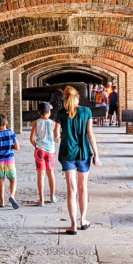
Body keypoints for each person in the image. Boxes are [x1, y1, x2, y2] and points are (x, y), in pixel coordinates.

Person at [55, 86, 99, 235]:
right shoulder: (86, 112)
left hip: (67, 153)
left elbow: (56, 134)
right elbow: (90, 134)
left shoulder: (61, 113)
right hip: (84, 152)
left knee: (71, 189)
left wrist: (60, 136)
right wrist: (96, 155)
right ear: (77, 98)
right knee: (82, 187)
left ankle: (73, 225)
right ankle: (83, 220)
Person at [29, 102, 59, 205]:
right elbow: (57, 138)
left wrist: (37, 146)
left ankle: (41, 200)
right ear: (49, 112)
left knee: (41, 175)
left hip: (39, 150)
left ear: (38, 112)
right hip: (50, 151)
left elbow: (32, 138)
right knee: (51, 174)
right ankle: (52, 197)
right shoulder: (53, 123)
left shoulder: (36, 122)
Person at [0, 113, 20, 209]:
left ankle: (2, 202)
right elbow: (17, 147)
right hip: (10, 160)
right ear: (6, 123)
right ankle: (12, 196)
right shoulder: (12, 134)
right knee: (13, 179)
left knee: (1, 180)